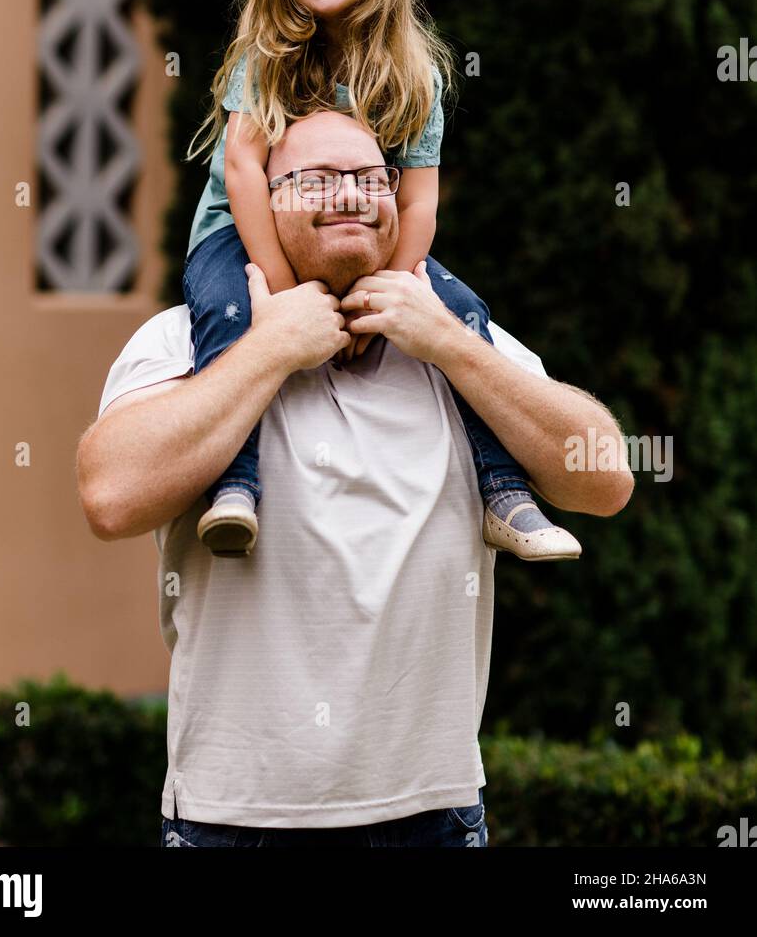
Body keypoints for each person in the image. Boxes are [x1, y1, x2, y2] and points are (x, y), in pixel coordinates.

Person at [76, 110, 633, 847]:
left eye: (372, 178)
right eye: (317, 180)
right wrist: (269, 350)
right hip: (236, 819)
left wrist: (449, 345)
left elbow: (605, 479)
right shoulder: (185, 340)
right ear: (262, 203)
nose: (352, 195)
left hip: (433, 815)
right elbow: (111, 496)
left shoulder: (451, 338)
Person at [182, 0, 580, 562]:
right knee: (230, 313)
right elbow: (245, 169)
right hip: (241, 230)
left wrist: (391, 292)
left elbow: (417, 199)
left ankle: (504, 491)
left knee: (459, 312)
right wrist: (280, 285)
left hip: (366, 239)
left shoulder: (412, 70)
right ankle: (234, 484)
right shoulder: (267, 54)